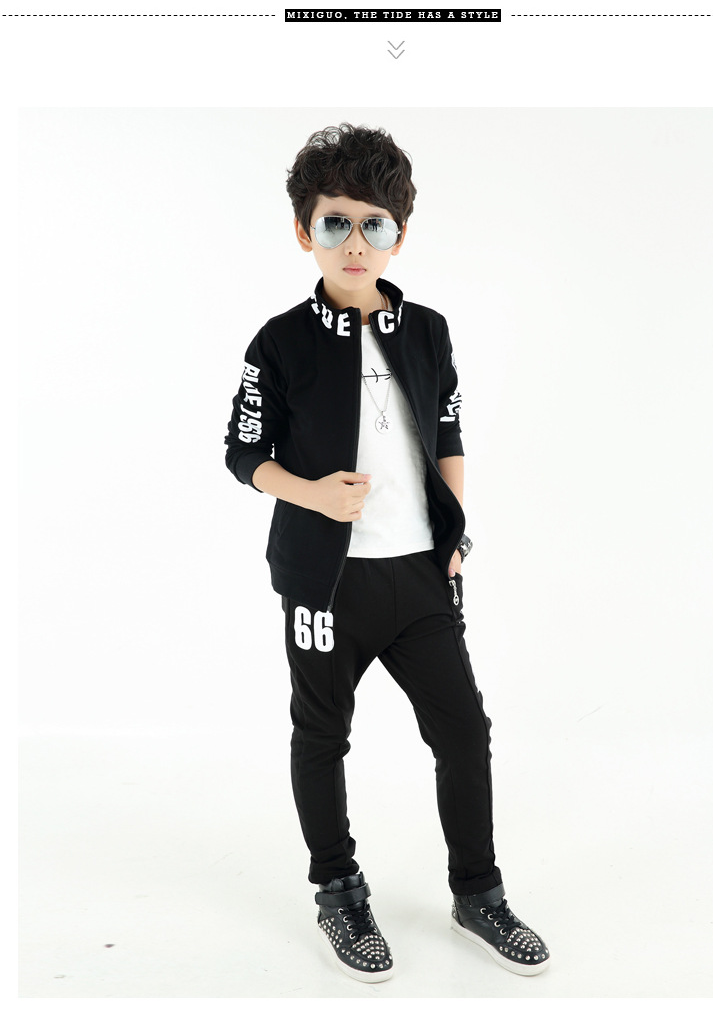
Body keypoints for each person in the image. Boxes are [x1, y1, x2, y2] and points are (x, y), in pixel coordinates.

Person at [224, 123, 549, 984]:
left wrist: (454, 534)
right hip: (324, 583)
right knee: (322, 735)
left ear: (399, 233)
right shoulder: (280, 341)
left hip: (419, 576)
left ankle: (478, 893)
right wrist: (312, 494)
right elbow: (243, 453)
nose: (356, 242)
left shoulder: (428, 330)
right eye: (336, 223)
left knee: (464, 732)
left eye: (375, 224)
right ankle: (338, 891)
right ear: (306, 231)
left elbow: (447, 433)